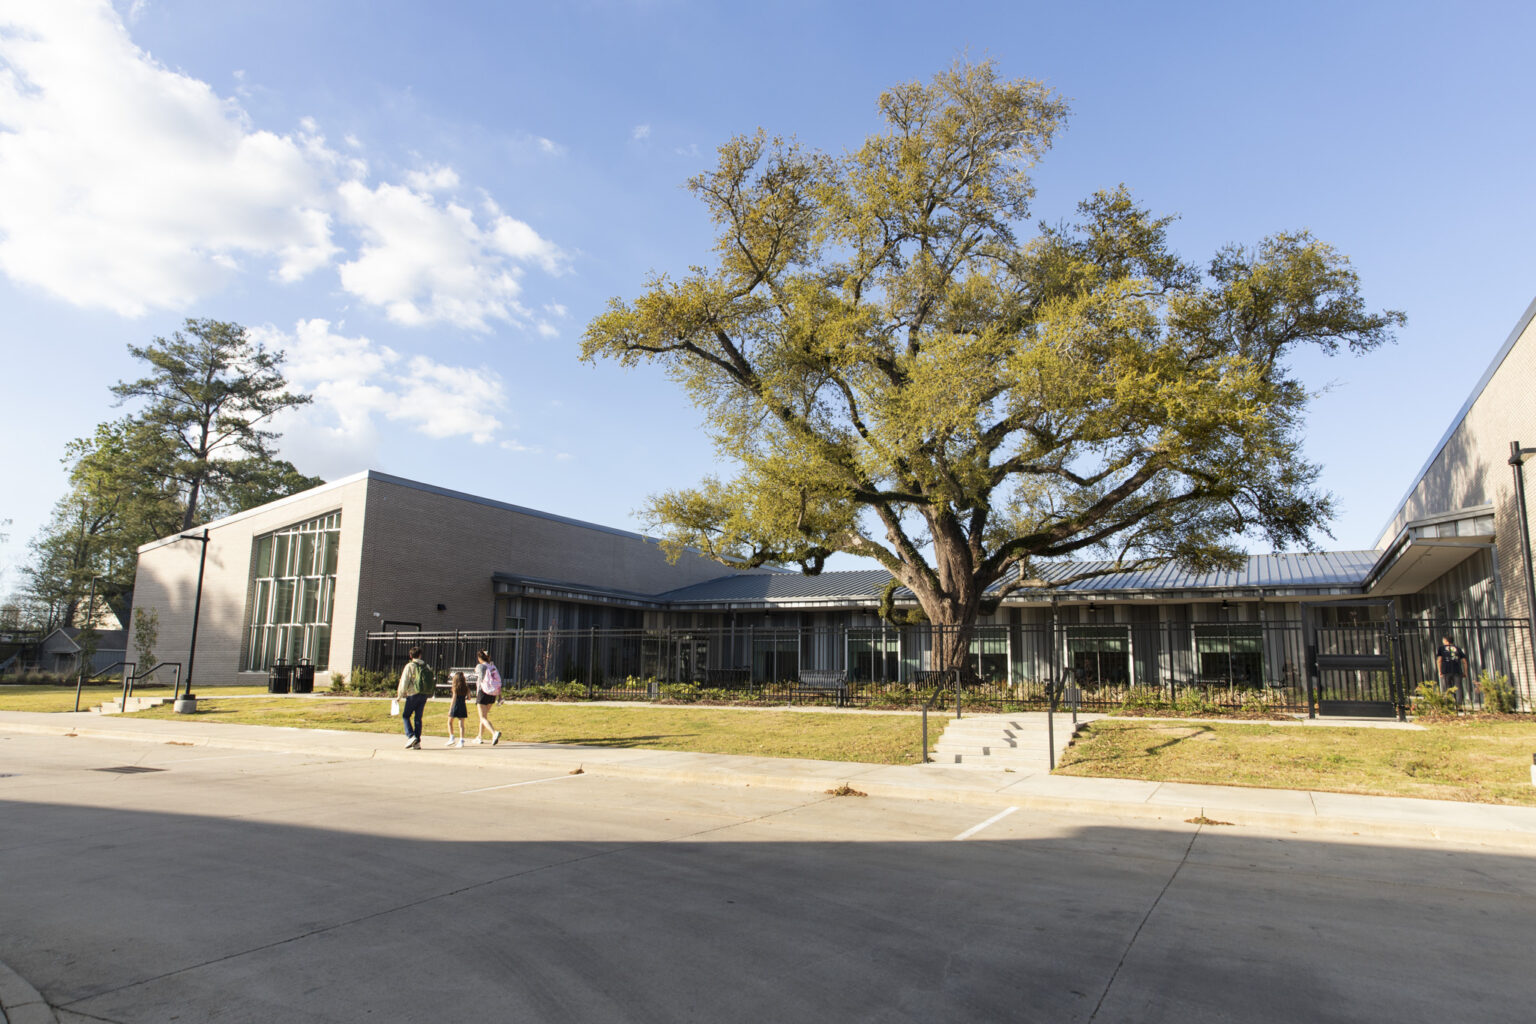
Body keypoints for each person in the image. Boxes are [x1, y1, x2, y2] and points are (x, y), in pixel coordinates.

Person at [396, 646, 435, 749]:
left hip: (413, 694)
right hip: (424, 694)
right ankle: (417, 741)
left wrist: (400, 695)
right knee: (418, 718)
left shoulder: (410, 666)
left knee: (406, 715)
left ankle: (411, 736)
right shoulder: (426, 666)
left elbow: (404, 681)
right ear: (420, 655)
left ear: (410, 656)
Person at [474, 650, 502, 746]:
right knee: (484, 717)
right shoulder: (493, 667)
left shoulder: (480, 666)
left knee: (482, 717)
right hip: (492, 694)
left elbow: (476, 673)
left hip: (483, 692)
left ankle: (494, 733)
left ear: (479, 658)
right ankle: (479, 737)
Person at [1436, 635, 1469, 703]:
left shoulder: (1441, 648)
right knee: (1458, 688)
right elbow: (1464, 661)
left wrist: (1439, 671)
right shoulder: (1458, 648)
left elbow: (1439, 660)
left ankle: (1448, 704)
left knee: (1446, 688)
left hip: (1446, 671)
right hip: (1457, 670)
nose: (1443, 642)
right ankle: (1459, 704)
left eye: (1443, 640)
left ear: (1446, 641)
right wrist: (1465, 672)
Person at [444, 671, 469, 747]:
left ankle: (451, 737)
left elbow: (453, 699)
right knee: (461, 724)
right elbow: (469, 697)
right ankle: (461, 740)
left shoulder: (455, 687)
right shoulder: (466, 687)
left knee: (450, 722)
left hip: (455, 705)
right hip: (462, 705)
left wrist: (450, 709)